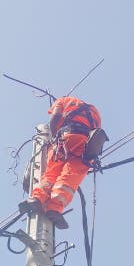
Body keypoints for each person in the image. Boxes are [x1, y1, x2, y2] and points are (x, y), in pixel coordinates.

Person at [27, 96, 103, 229]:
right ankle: (54, 208)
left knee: (51, 174)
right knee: (70, 178)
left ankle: (37, 199)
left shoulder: (64, 100)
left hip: (64, 139)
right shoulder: (95, 111)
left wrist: (53, 138)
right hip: (85, 146)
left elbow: (55, 117)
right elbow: (96, 135)